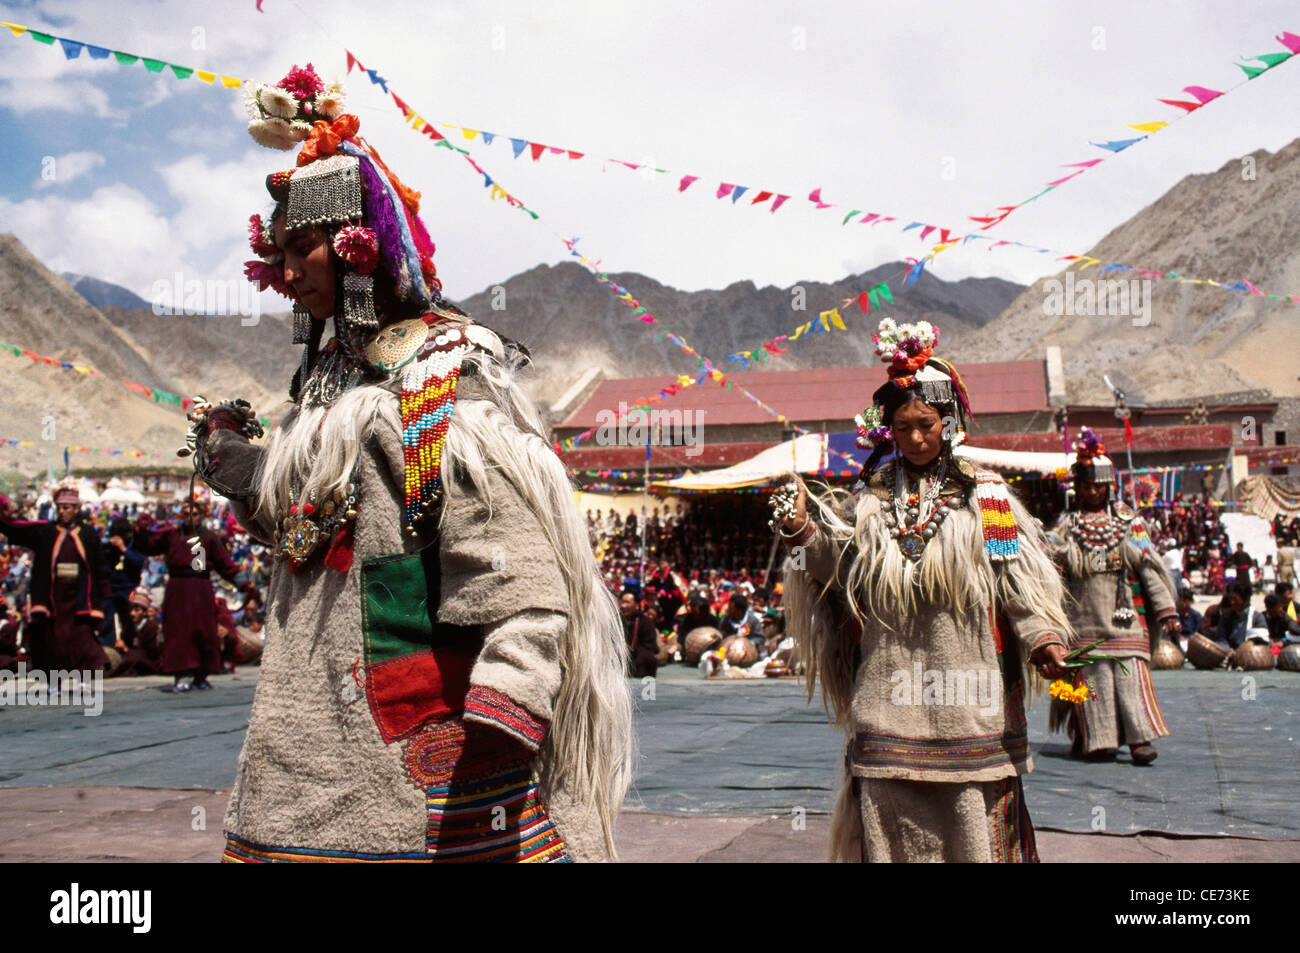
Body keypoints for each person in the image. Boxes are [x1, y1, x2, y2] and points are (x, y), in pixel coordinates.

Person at [182, 64, 630, 863]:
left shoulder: (441, 366)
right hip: (302, 733)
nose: (285, 273)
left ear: (359, 242)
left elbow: (509, 542)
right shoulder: (323, 386)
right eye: (276, 251)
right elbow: (311, 527)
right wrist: (252, 474)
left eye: (302, 246)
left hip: (418, 738)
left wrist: (515, 683)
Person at [778, 318, 1072, 862]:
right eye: (903, 425)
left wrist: (1043, 638)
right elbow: (839, 574)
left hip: (970, 706)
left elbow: (1017, 582)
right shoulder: (867, 500)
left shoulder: (987, 497)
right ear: (887, 427)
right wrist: (802, 531)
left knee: (975, 835)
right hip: (888, 708)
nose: (915, 437)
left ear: (949, 422)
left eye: (927, 423)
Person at [1046, 429, 1179, 767]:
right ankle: (1100, 740)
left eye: (1099, 485)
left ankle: (1139, 741)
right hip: (1083, 620)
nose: (1093, 491)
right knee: (1094, 681)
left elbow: (1149, 568)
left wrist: (1166, 611)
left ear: (1109, 486)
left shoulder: (1128, 522)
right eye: (1087, 485)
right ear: (1078, 487)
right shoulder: (1067, 525)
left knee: (1129, 678)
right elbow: (1049, 564)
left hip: (1124, 620)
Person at [136, 487, 241, 693]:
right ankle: (182, 674)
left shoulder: (210, 537)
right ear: (180, 515)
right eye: (186, 514)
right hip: (178, 590)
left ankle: (201, 675)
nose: (190, 518)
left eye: (194, 514)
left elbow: (226, 565)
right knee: (178, 633)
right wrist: (141, 529)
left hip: (201, 589)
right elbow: (148, 545)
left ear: (201, 515)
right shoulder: (171, 535)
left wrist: (245, 583)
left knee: (204, 631)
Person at [0, 479, 109, 675]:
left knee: (81, 635)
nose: (62, 512)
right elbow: (17, 528)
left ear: (76, 509)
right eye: (59, 507)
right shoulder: (46, 531)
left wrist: (103, 592)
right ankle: (53, 679)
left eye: (66, 507)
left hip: (79, 594)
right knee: (52, 638)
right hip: (53, 594)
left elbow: (100, 564)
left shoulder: (88, 534)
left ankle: (83, 677)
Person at [98, 517, 146, 648]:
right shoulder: (108, 546)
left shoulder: (135, 545)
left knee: (129, 620)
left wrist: (123, 548)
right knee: (107, 620)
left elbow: (139, 562)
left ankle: (129, 646)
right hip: (111, 588)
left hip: (128, 588)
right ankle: (107, 647)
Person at [117, 586, 163, 677]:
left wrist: (127, 650)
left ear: (144, 613)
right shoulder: (129, 626)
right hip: (132, 656)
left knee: (134, 659)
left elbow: (150, 653)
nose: (132, 613)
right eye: (131, 610)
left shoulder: (152, 627)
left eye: (136, 610)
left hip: (148, 661)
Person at [619, 591, 659, 677]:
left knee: (647, 659)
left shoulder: (645, 622)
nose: (623, 606)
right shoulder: (615, 621)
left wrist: (631, 650)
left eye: (627, 602)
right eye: (622, 602)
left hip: (637, 656)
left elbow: (650, 646)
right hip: (619, 655)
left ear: (636, 605)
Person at [718, 592, 765, 659]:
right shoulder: (725, 620)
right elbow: (721, 634)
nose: (728, 610)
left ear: (739, 610)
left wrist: (749, 643)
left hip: (748, 654)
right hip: (728, 653)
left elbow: (760, 638)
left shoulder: (752, 621)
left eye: (731, 608)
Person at [1212, 582, 1252, 650]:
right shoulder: (1226, 616)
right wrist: (1228, 651)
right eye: (1231, 599)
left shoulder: (1256, 617)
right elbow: (1221, 639)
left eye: (1235, 599)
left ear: (1246, 600)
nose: (1232, 602)